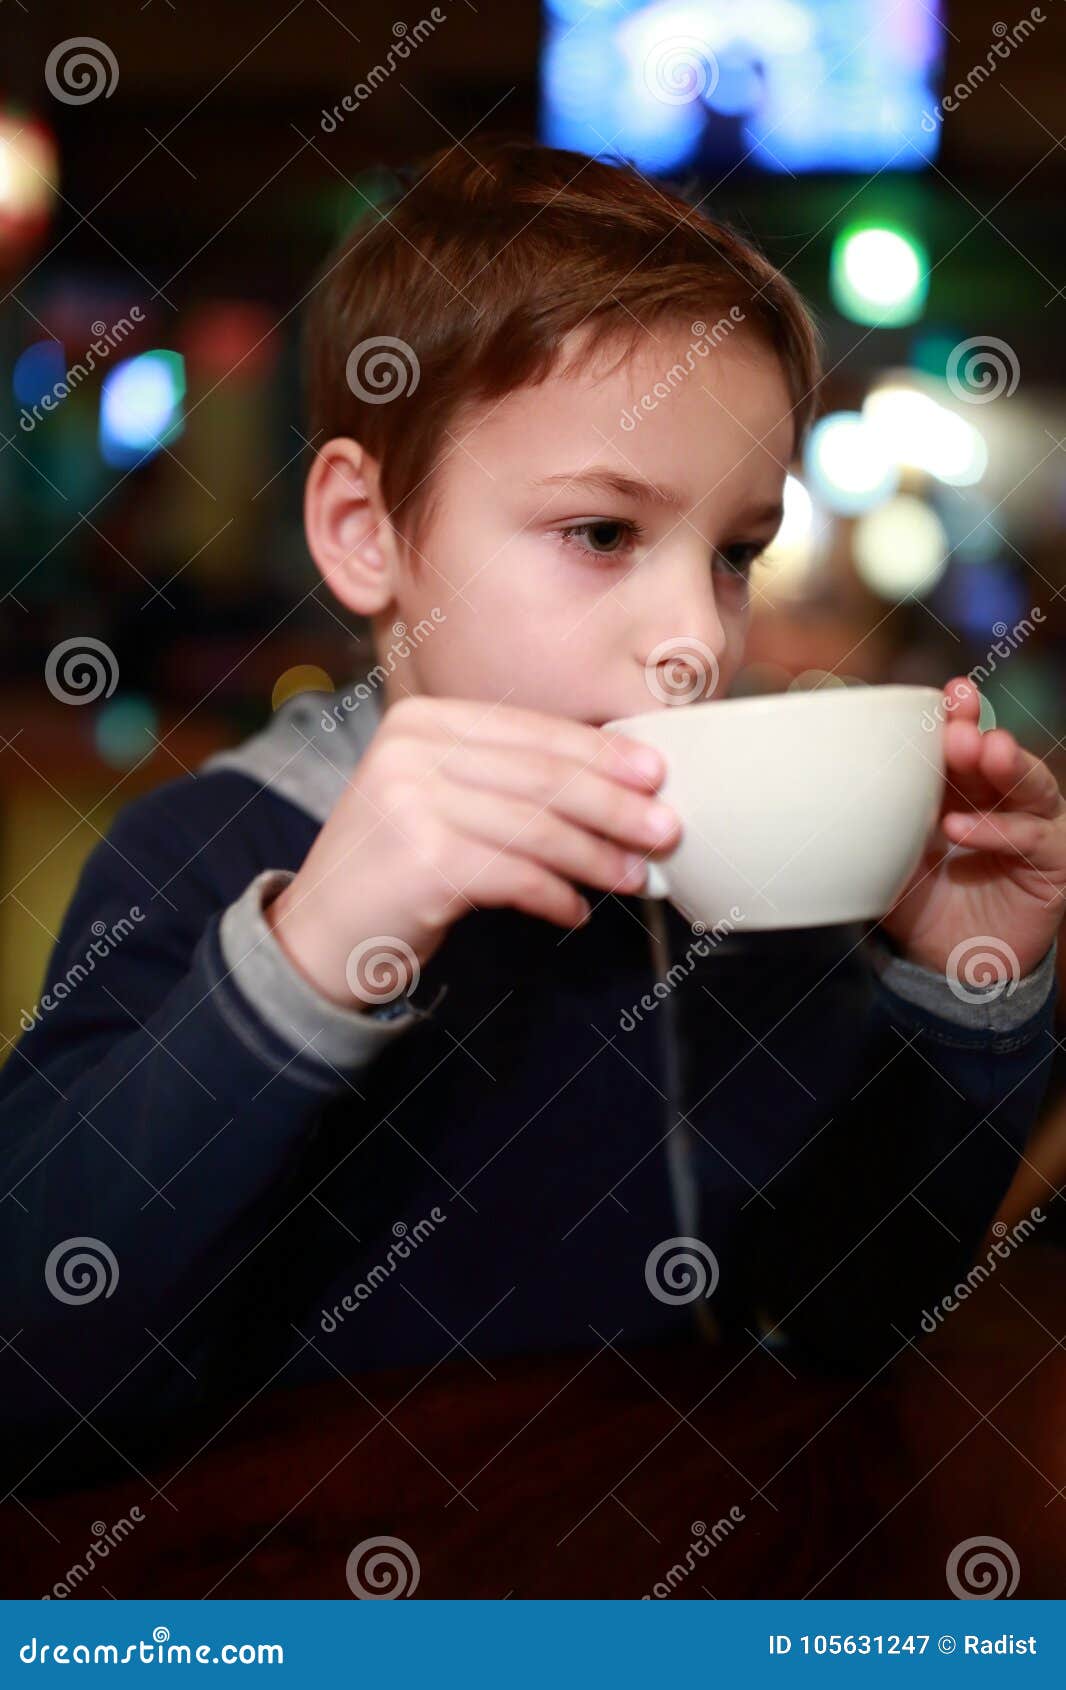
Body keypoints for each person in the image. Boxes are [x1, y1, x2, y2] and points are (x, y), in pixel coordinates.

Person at [1, 137, 1062, 1484]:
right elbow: (31, 1365)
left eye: (735, 551)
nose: (693, 637)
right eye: (603, 535)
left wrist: (963, 981)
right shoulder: (214, 854)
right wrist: (309, 955)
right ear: (364, 530)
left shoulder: (741, 887)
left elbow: (832, 1317)